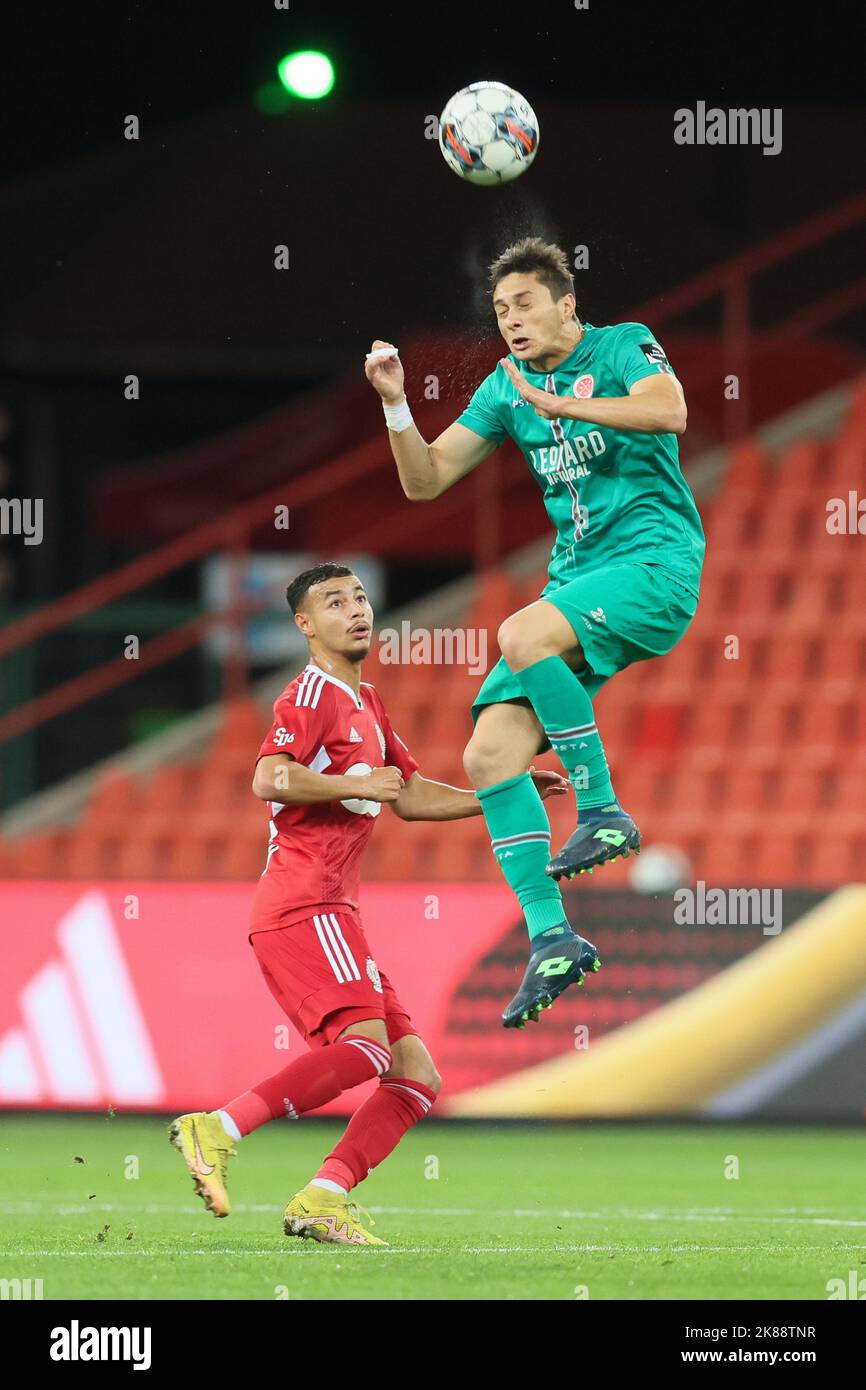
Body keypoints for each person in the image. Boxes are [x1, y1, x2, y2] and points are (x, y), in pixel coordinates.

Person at [169, 562, 567, 1245]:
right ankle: (218, 1127)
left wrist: (500, 796)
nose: (355, 610)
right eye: (333, 602)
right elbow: (269, 776)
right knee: (366, 1053)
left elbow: (407, 795)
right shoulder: (311, 694)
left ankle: (324, 1196)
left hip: (333, 910)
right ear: (304, 625)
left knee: (415, 1074)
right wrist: (353, 784)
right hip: (304, 903)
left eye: (359, 598)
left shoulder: (368, 702)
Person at [366, 236, 704, 1028]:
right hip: (579, 582)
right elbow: (425, 481)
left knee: (521, 634)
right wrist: (394, 401)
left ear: (567, 304)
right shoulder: (505, 386)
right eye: (500, 310)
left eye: (524, 303)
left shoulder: (622, 346)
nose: (510, 321)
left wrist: (565, 406)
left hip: (655, 567)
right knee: (487, 755)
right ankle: (554, 939)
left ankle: (602, 810)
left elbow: (671, 410)